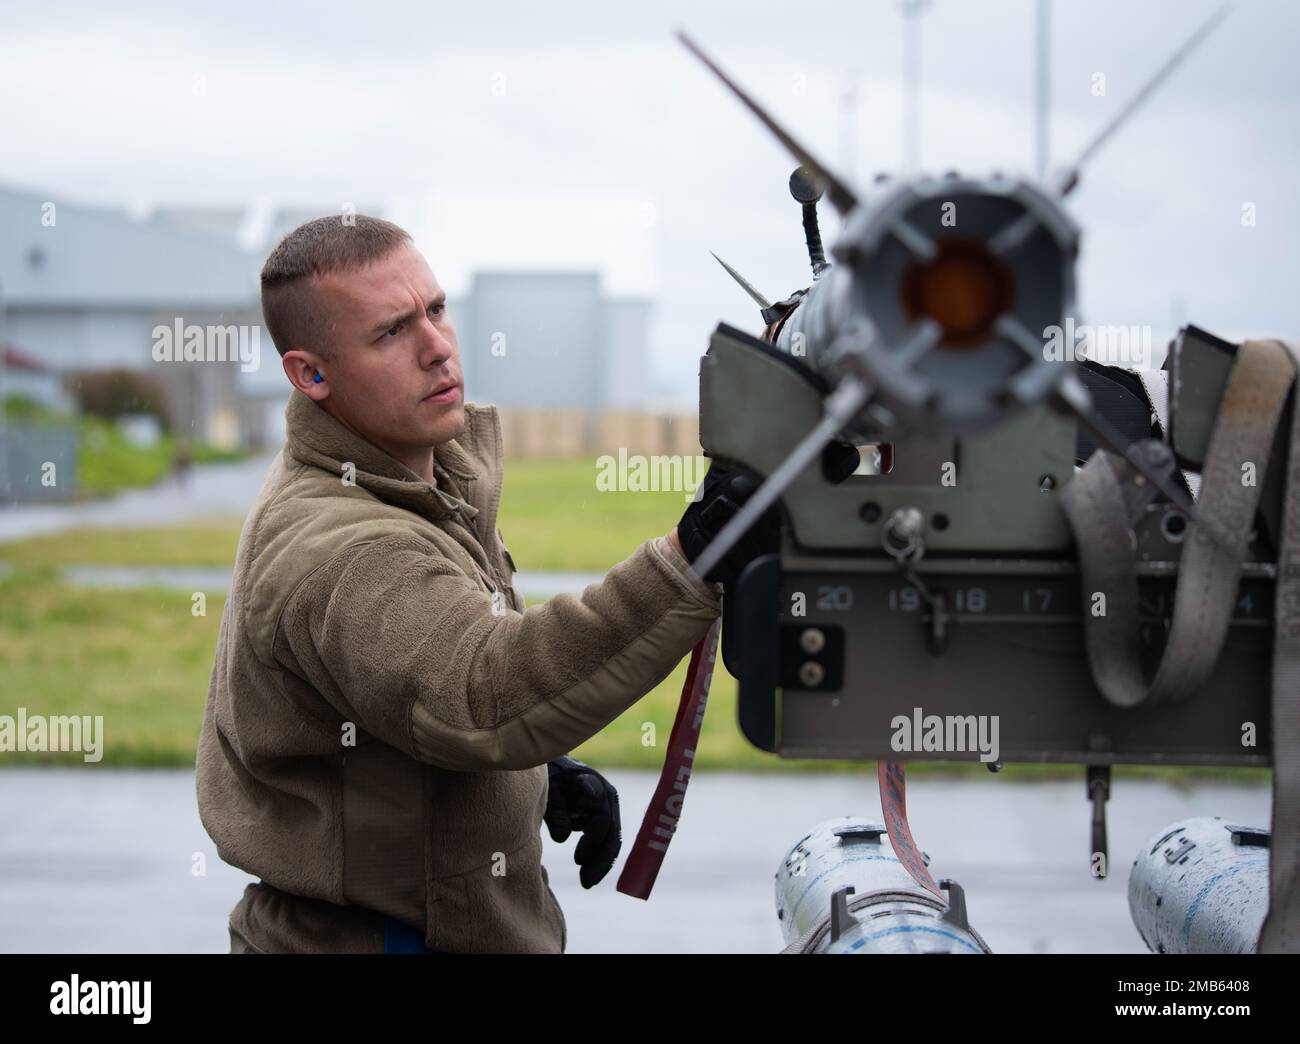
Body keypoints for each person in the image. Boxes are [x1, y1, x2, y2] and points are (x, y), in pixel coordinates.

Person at [195, 214, 776, 953]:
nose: (437, 347)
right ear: (311, 374)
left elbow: (412, 687)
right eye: (390, 333)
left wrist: (530, 779)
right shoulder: (341, 546)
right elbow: (482, 690)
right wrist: (693, 555)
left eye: (436, 311)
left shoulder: (409, 478)